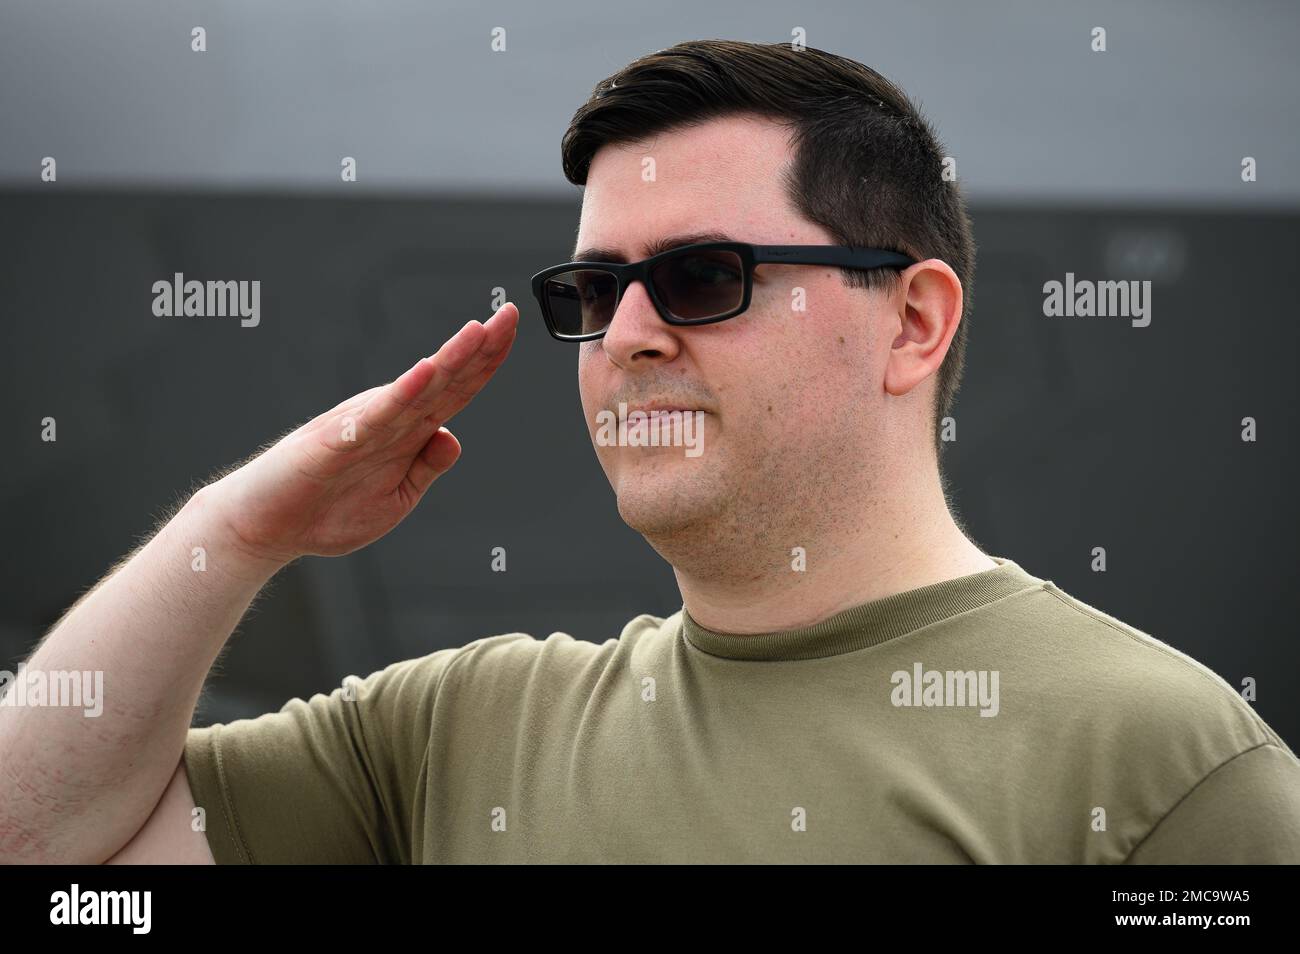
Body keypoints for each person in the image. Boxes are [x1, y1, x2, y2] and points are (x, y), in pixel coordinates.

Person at [2, 40, 1297, 864]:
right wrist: (237, 534)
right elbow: (39, 843)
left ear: (911, 322)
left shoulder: (1165, 761)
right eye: (592, 288)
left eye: (700, 276)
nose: (624, 336)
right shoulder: (451, 731)